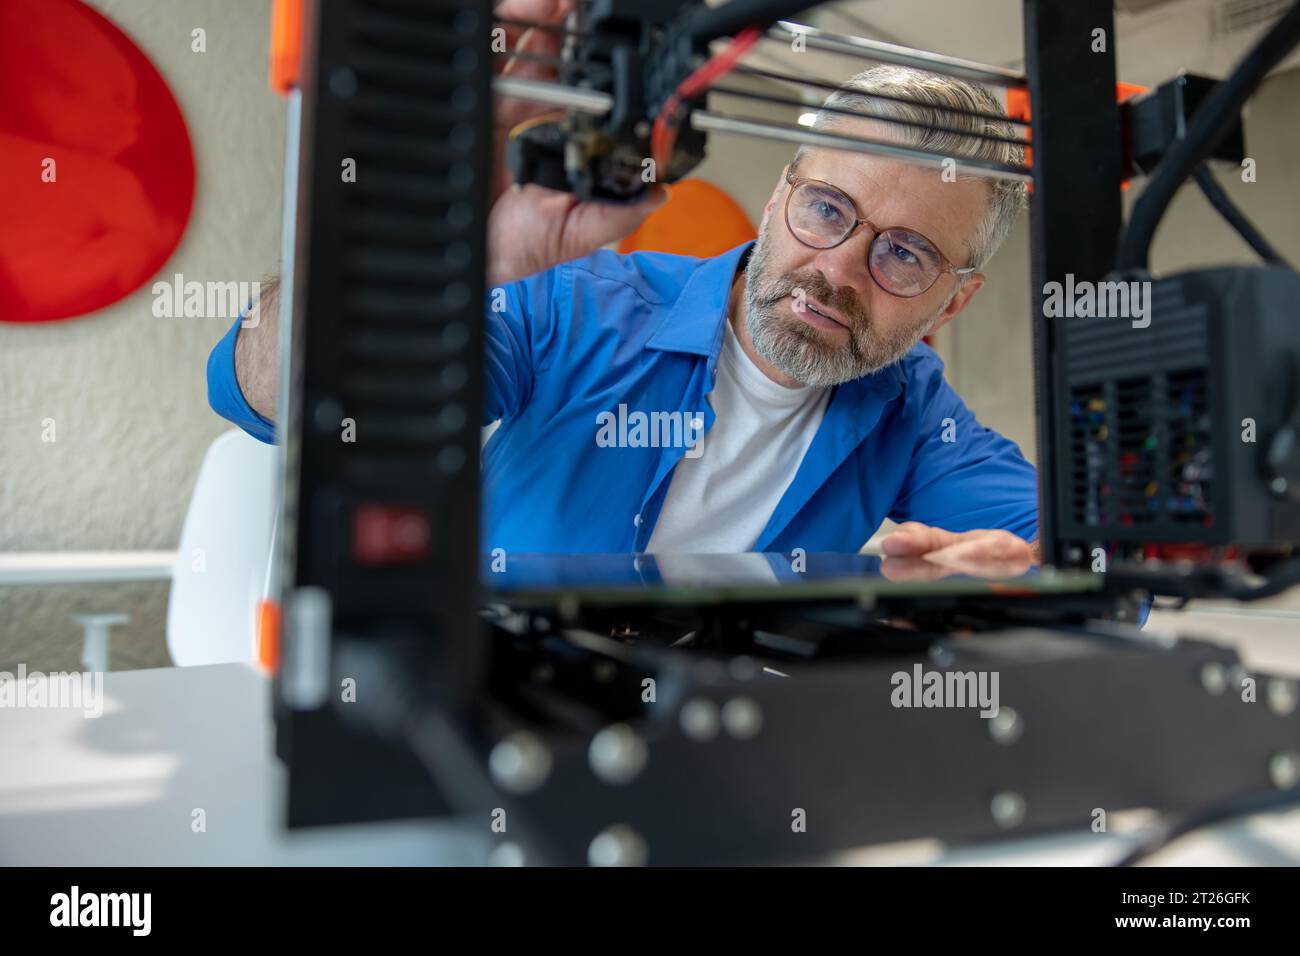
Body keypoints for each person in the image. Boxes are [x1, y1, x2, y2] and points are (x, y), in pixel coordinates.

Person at [206, 0, 1040, 578]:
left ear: (953, 300)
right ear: (777, 200)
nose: (840, 269)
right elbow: (269, 394)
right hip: (482, 718)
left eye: (905, 254)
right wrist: (437, 243)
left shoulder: (911, 410)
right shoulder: (576, 306)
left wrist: (1016, 575)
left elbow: (1079, 547)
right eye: (826, 208)